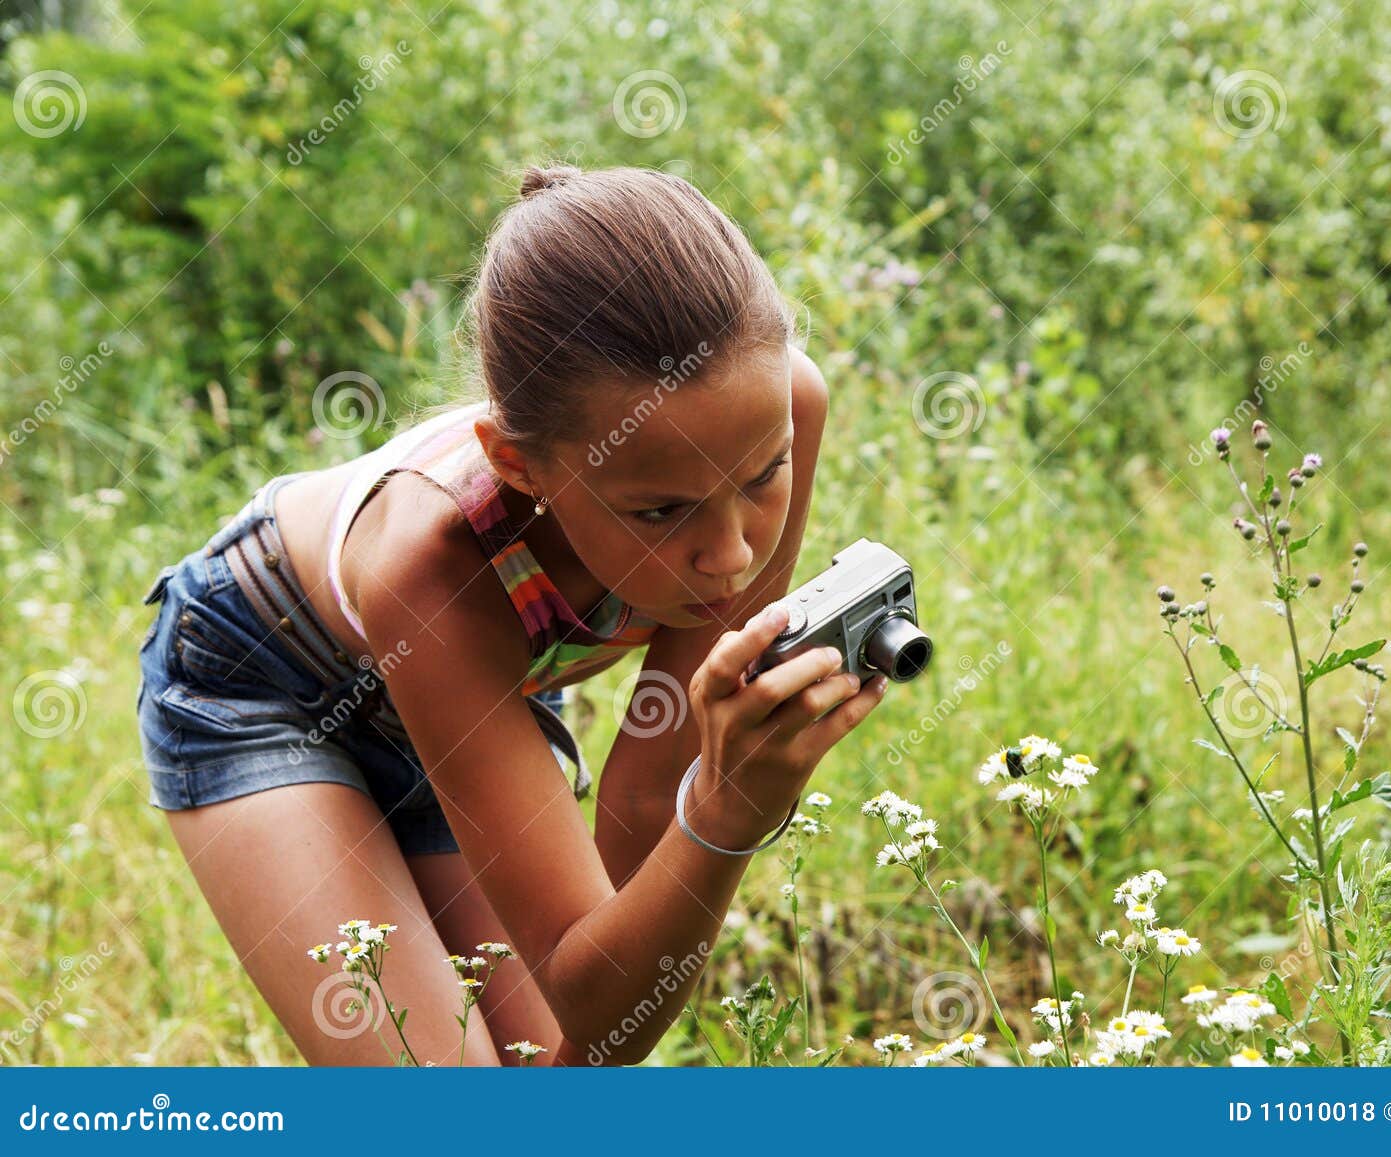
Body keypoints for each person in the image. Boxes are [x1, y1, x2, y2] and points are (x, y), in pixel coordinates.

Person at [134, 163, 888, 1066]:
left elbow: (646, 802)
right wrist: (726, 817)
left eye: (764, 477)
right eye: (660, 511)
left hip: (474, 693)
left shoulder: (776, 403)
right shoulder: (434, 564)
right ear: (518, 463)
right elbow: (596, 985)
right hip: (265, 675)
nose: (731, 557)